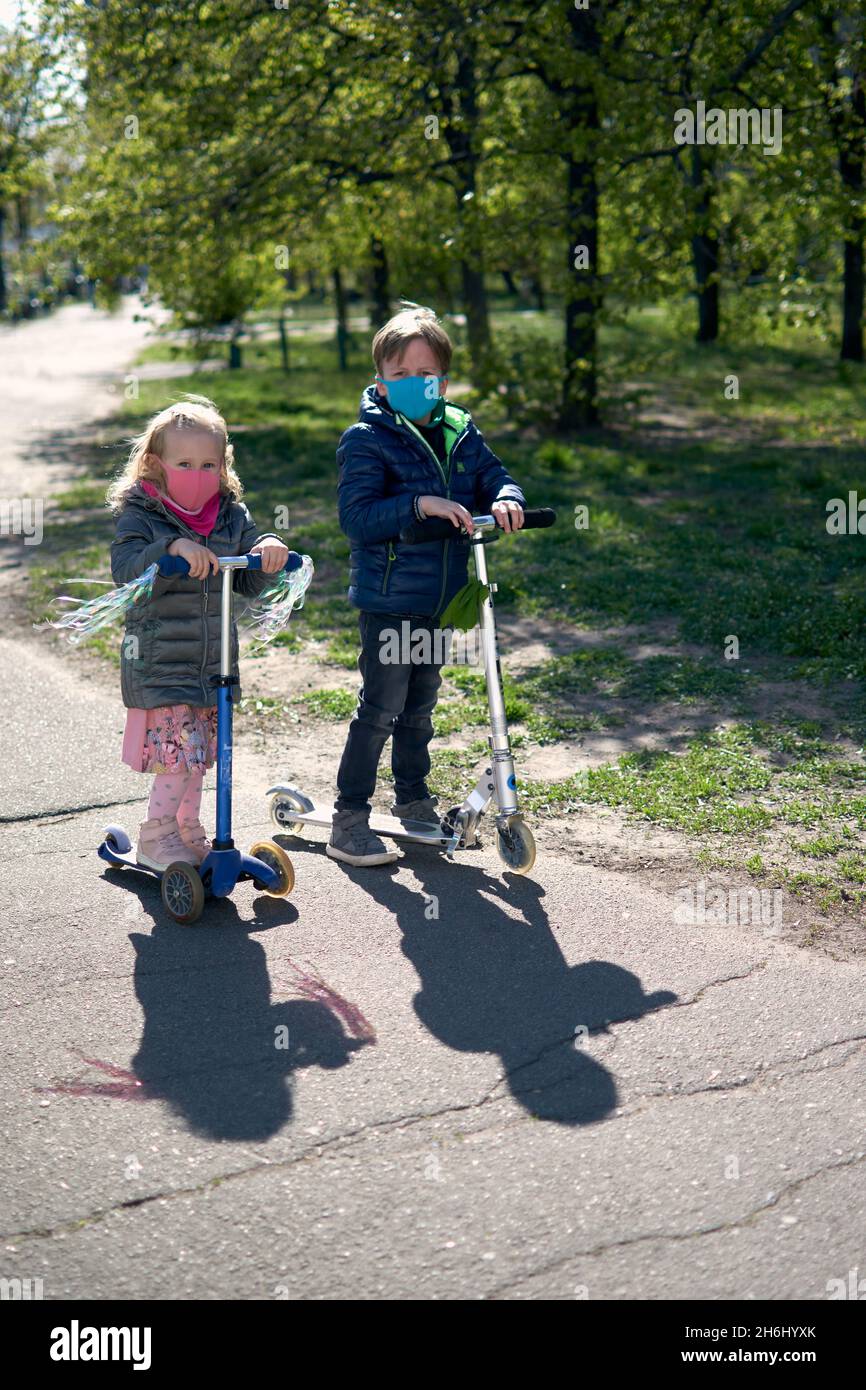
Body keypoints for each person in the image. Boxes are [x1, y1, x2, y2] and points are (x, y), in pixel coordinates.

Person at [328, 302, 525, 867]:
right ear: (380, 382)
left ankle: (413, 800)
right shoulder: (366, 438)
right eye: (401, 375)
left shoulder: (460, 430)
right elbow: (357, 518)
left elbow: (494, 477)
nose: (415, 385)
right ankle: (349, 817)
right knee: (382, 707)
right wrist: (419, 504)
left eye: (426, 375)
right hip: (391, 599)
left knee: (420, 707)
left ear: (444, 379)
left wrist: (506, 498)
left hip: (442, 598)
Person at [108, 395, 288, 869]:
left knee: (200, 756)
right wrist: (171, 547)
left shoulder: (231, 515)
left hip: (213, 665)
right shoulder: (141, 516)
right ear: (155, 463)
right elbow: (127, 573)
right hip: (161, 661)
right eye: (184, 463)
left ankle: (187, 832)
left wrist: (266, 550)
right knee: (177, 758)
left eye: (209, 463)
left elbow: (247, 577)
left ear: (223, 465)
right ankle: (155, 836)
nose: (198, 473)